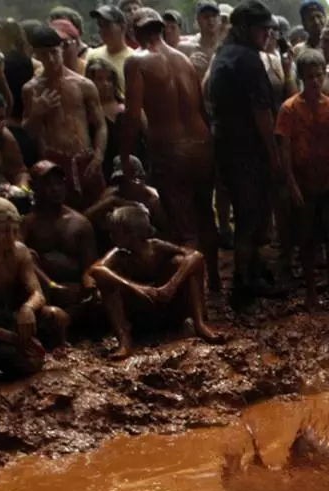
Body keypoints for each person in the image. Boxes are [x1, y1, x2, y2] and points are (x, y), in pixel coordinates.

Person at [122, 7, 220, 293]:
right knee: (205, 214)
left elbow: (131, 114)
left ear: (135, 33)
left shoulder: (136, 62)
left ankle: (194, 294)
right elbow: (201, 109)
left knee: (183, 225)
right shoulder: (184, 60)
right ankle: (213, 281)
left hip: (171, 148)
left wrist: (126, 155)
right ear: (160, 29)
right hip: (202, 145)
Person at [206, 0, 281, 309]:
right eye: (262, 28)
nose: (267, 33)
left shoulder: (223, 55)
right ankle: (244, 285)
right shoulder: (248, 61)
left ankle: (250, 274)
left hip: (228, 147)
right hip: (247, 151)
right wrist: (275, 157)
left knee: (247, 216)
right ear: (243, 29)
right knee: (250, 220)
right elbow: (262, 113)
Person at [86, 204, 221, 359]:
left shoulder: (156, 247)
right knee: (107, 280)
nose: (111, 237)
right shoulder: (118, 255)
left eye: (115, 233)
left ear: (132, 233)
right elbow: (96, 270)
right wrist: (136, 288)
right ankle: (124, 340)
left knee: (180, 263)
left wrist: (171, 286)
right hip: (142, 313)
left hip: (167, 305)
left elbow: (195, 256)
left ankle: (200, 324)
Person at [276, 47, 329, 308]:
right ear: (301, 78)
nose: (315, 81)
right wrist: (292, 184)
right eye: (310, 77)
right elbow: (284, 151)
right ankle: (310, 291)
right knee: (307, 240)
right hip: (303, 184)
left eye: (319, 75)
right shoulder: (289, 110)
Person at [22, 26, 105, 210]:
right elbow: (29, 133)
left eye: (54, 52)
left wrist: (98, 155)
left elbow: (100, 125)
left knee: (98, 212)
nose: (50, 59)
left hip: (85, 159)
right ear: (36, 55)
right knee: (60, 217)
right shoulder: (32, 89)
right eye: (44, 54)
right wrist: (38, 112)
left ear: (62, 49)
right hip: (53, 165)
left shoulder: (83, 84)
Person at [21, 159, 96, 327]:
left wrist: (88, 285)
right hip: (41, 291)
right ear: (34, 187)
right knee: (27, 255)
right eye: (47, 184)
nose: (55, 189)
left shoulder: (79, 222)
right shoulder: (27, 224)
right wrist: (51, 285)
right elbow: (22, 260)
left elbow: (90, 266)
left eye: (58, 183)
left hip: (73, 290)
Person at [0, 197, 47, 376]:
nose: (10, 238)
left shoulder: (20, 252)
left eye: (14, 231)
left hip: (6, 316)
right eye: (3, 231)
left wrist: (27, 308)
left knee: (55, 317)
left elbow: (37, 293)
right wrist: (13, 339)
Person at [84, 57, 125, 187]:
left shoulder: (126, 106)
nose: (106, 84)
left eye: (109, 79)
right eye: (100, 79)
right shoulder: (87, 112)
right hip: (103, 167)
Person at [86, 5, 131, 87]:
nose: (101, 30)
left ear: (122, 27)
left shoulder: (134, 59)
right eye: (99, 25)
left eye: (107, 25)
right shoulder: (92, 56)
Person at [0, 91, 28, 192]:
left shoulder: (4, 136)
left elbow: (20, 171)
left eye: (1, 118)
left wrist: (22, 189)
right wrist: (2, 189)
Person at [178, 0, 222, 79]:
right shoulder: (185, 49)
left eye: (214, 16)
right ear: (198, 20)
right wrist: (188, 65)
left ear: (220, 19)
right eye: (206, 17)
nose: (211, 20)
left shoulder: (227, 48)